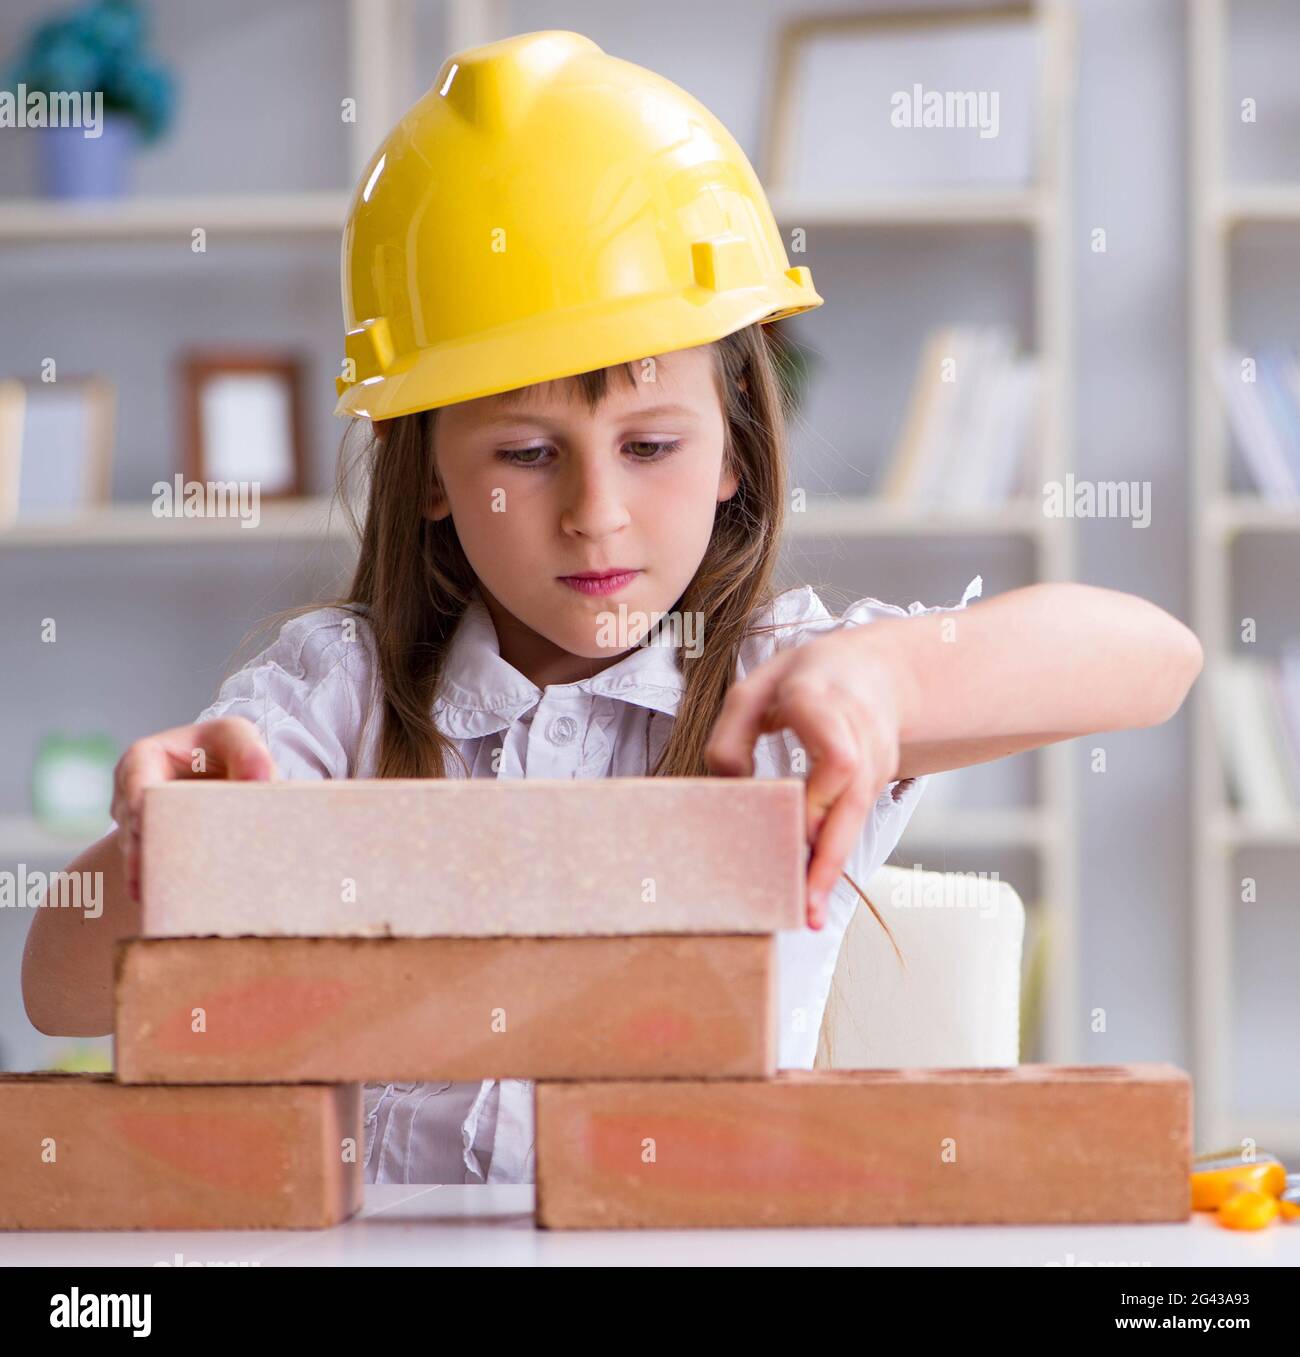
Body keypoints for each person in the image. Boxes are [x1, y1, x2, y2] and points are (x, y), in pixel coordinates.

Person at [22, 31, 1202, 1186]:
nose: (596, 512)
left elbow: (1153, 657)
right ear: (431, 475)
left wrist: (883, 679)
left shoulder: (784, 682)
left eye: (649, 445)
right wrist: (172, 847)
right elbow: (55, 985)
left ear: (735, 449)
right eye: (528, 453)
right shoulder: (339, 694)